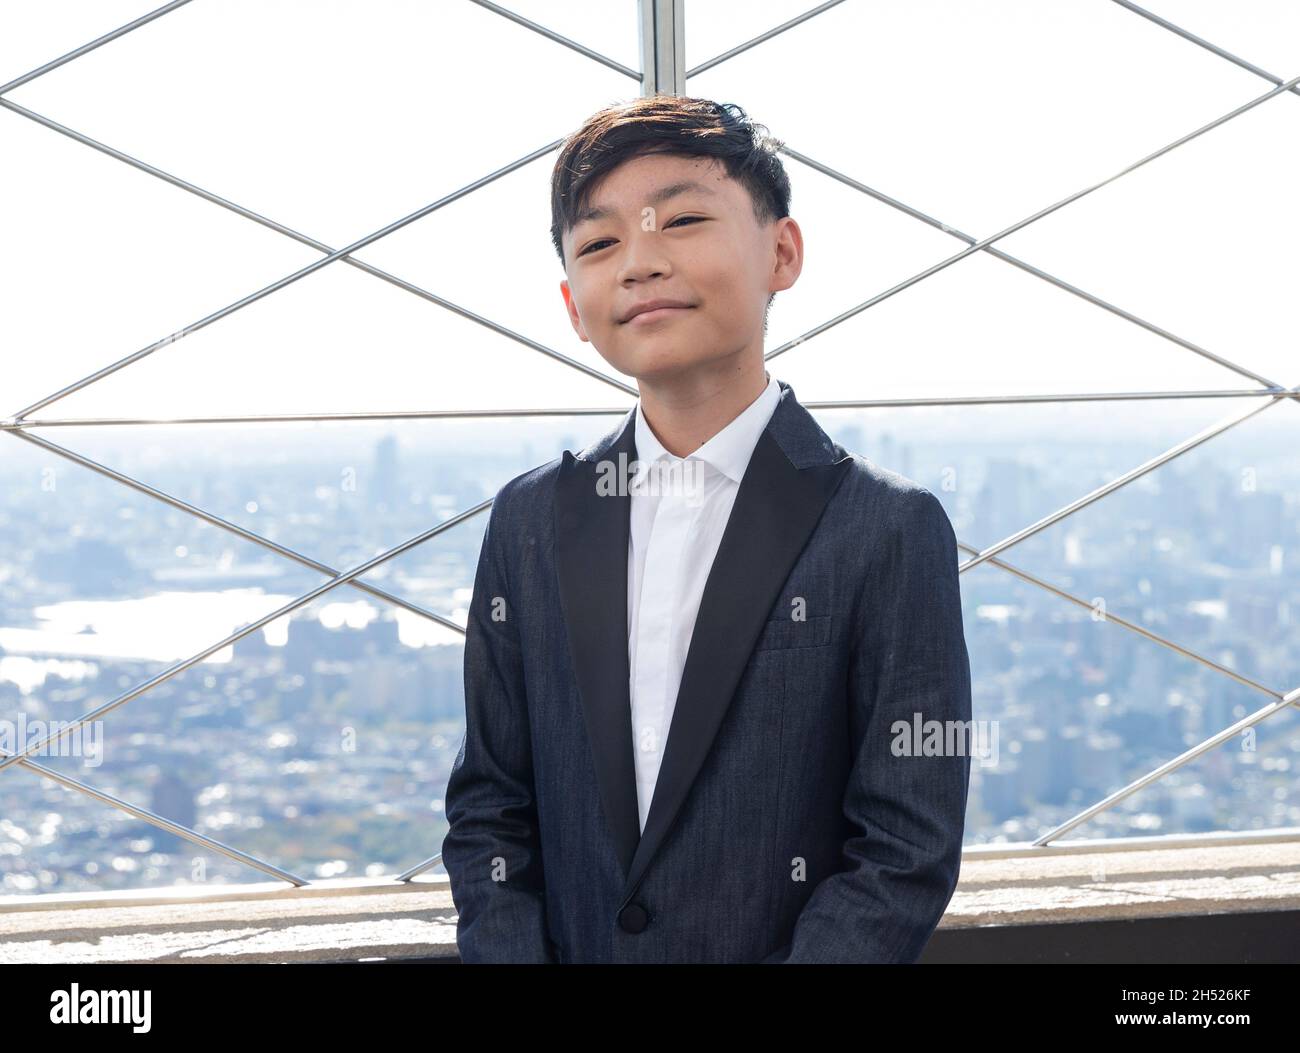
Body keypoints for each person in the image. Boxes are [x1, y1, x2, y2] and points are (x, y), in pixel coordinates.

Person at [440, 94, 972, 963]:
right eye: (601, 243)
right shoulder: (530, 521)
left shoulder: (886, 529)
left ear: (782, 252)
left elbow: (904, 849)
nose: (640, 263)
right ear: (574, 305)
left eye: (682, 219)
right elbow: (490, 807)